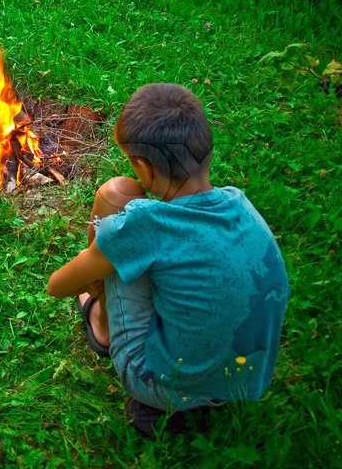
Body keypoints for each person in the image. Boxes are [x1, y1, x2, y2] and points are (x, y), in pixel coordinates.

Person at [47, 83, 289, 436]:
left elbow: (57, 286)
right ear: (207, 150)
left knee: (116, 202)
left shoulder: (145, 224)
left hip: (167, 385)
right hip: (246, 378)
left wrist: (98, 258)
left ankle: (102, 325)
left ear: (145, 168)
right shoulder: (240, 203)